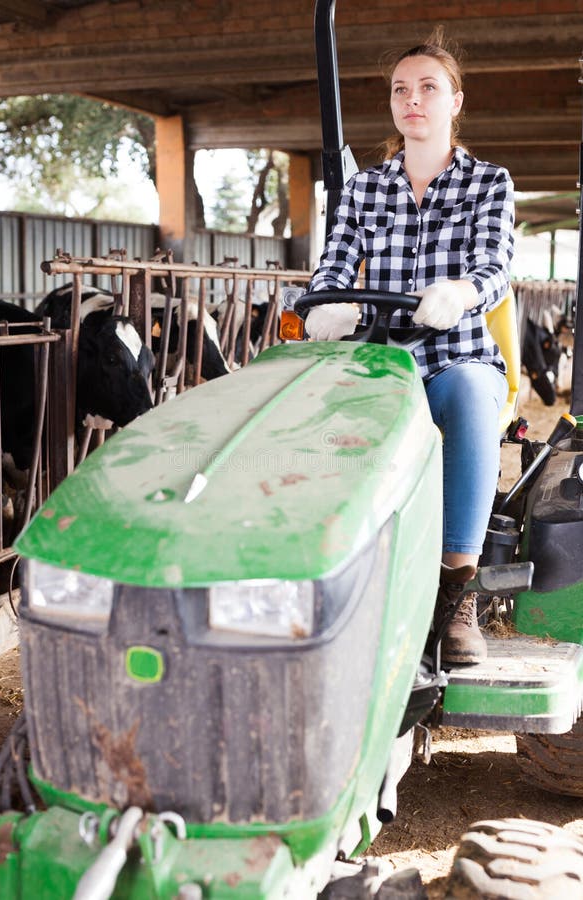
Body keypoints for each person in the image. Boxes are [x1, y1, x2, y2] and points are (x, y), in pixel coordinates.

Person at [306, 29, 515, 665]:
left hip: (457, 352)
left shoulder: (487, 182)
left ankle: (456, 596)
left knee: (476, 396)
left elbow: (496, 263)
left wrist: (460, 291)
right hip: (380, 355)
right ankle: (333, 575)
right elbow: (334, 267)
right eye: (401, 90)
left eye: (428, 88)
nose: (412, 99)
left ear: (456, 101)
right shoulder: (365, 188)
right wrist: (326, 306)